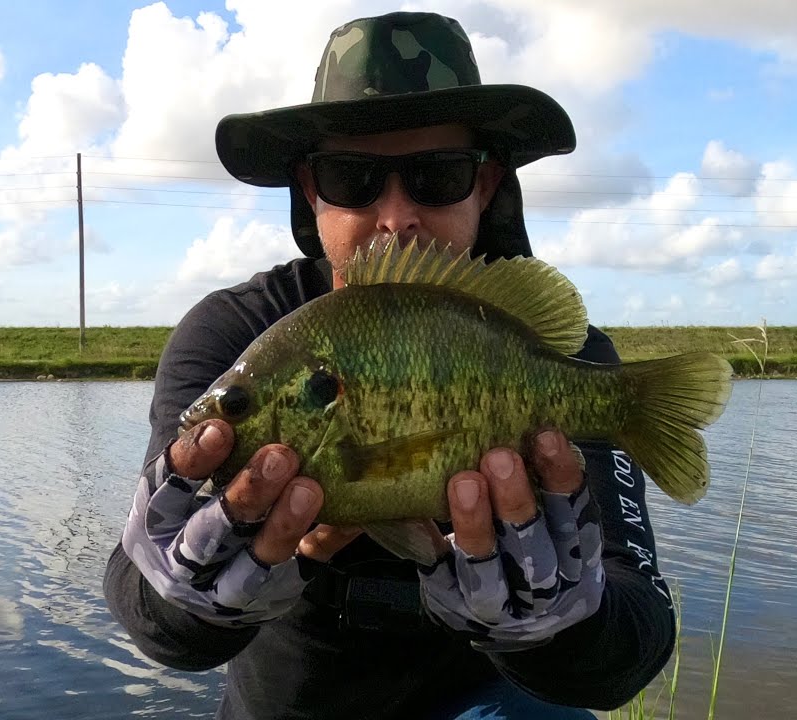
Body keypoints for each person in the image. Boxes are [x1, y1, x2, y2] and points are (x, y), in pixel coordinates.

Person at [104, 11, 677, 719]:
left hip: (492, 699)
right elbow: (146, 610)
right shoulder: (235, 336)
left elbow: (634, 637)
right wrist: (182, 600)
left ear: (487, 185)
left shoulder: (558, 360)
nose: (396, 217)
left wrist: (555, 628)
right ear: (311, 190)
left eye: (437, 175)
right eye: (354, 177)